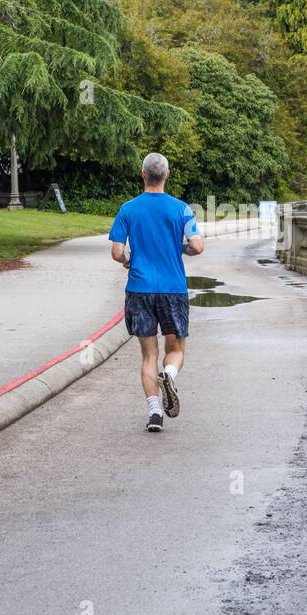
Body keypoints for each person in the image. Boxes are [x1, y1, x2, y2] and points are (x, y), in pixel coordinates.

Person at [109, 153, 204, 432]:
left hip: (139, 289)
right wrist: (179, 249)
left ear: (142, 174)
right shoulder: (182, 209)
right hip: (173, 289)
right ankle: (170, 375)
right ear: (167, 175)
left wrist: (128, 260)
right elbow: (197, 246)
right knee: (175, 349)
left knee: (148, 354)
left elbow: (117, 252)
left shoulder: (128, 209)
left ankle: (154, 414)